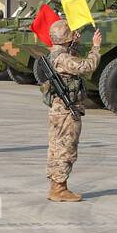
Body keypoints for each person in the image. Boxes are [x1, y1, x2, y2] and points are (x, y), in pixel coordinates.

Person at [41, 19, 102, 202]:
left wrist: (73, 43)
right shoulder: (63, 58)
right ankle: (59, 189)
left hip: (58, 109)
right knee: (66, 148)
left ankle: (56, 185)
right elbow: (87, 66)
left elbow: (71, 59)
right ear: (66, 38)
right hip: (66, 110)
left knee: (56, 147)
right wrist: (96, 47)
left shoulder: (55, 55)